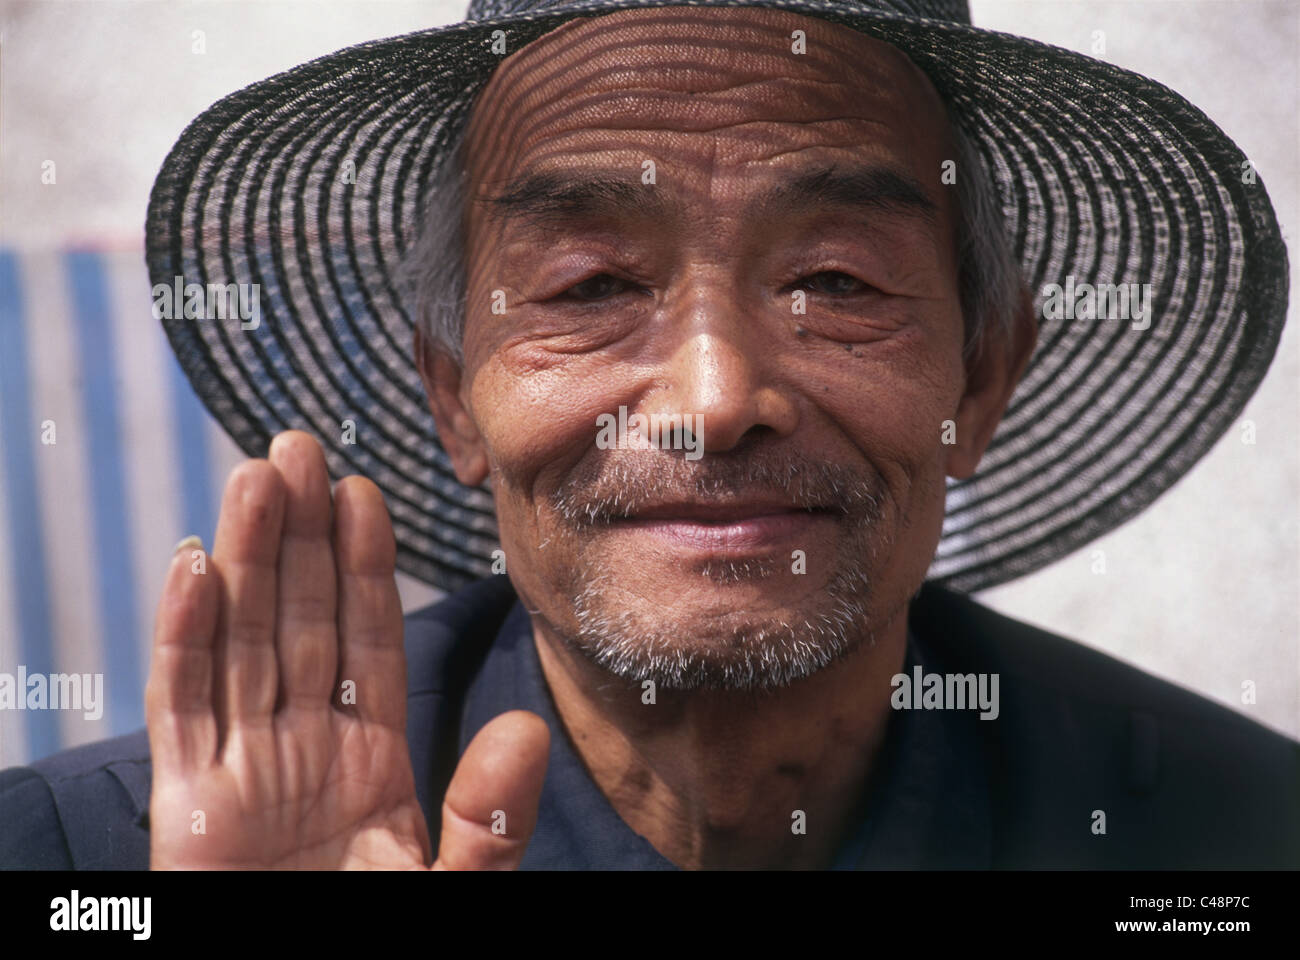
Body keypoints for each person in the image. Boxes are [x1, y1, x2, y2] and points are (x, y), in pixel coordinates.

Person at [2, 0, 1296, 870]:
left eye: (837, 281)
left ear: (986, 375)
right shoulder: (104, 856)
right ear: (453, 391)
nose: (716, 397)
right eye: (590, 286)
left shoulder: (1232, 837)